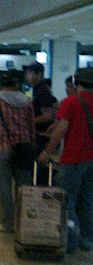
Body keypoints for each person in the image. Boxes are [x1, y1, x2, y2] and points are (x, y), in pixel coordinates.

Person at [39, 68, 93, 254]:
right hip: (91, 160)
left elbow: (60, 131)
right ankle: (86, 240)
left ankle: (70, 241)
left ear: (77, 83)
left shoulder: (71, 102)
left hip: (73, 158)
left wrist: (46, 153)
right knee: (87, 200)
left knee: (66, 200)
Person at [0, 76, 36, 233]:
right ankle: (25, 221)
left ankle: (8, 223)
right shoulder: (27, 102)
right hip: (24, 149)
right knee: (23, 187)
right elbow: (32, 127)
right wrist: (32, 147)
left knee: (4, 188)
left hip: (3, 148)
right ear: (15, 84)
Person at [25, 62, 58, 183]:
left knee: (39, 168)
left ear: (39, 74)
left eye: (29, 73)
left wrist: (27, 122)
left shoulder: (42, 91)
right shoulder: (38, 90)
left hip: (42, 136)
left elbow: (47, 116)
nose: (27, 76)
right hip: (39, 135)